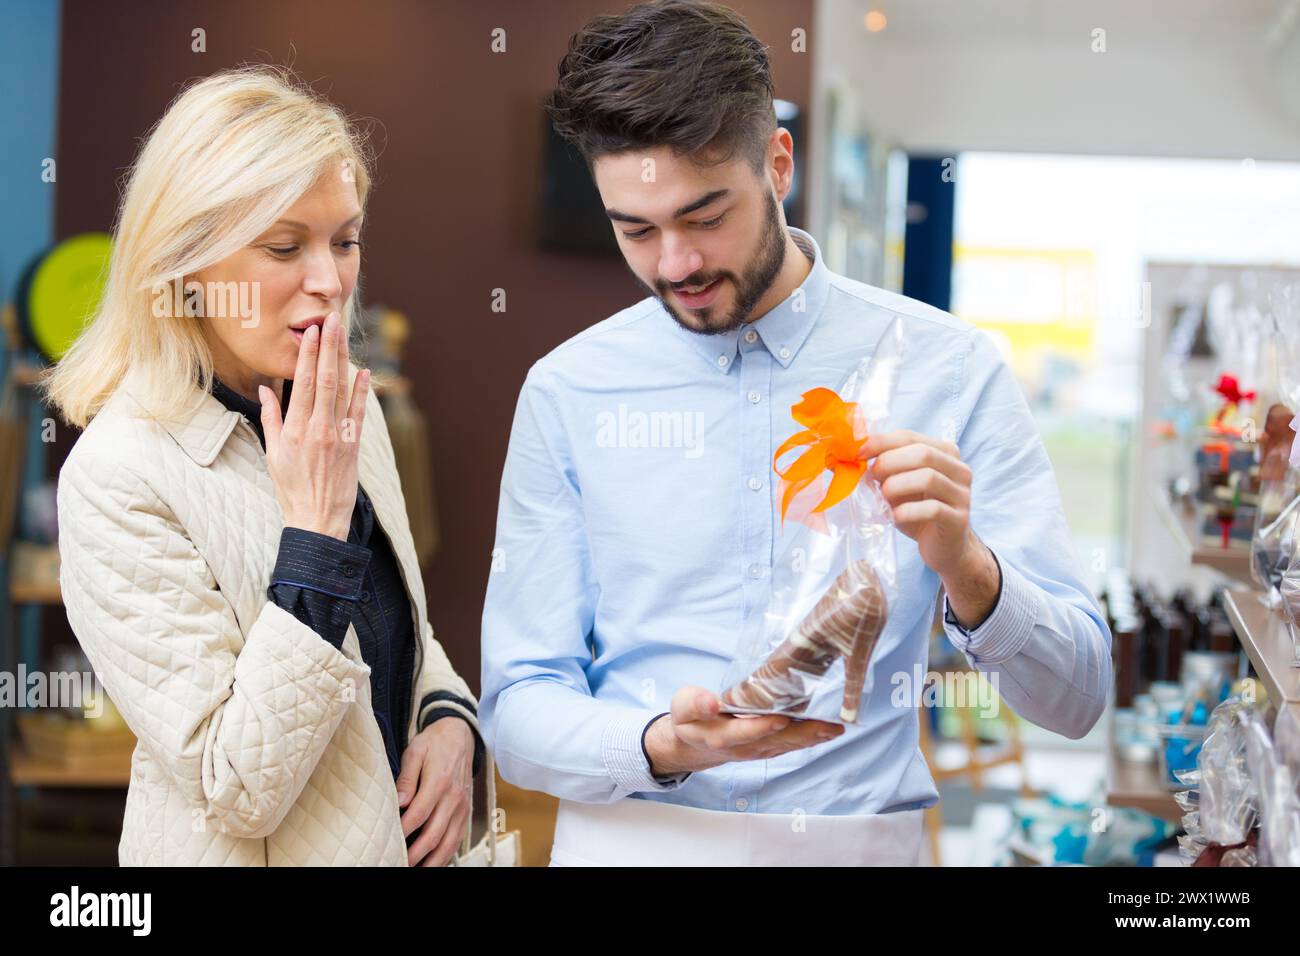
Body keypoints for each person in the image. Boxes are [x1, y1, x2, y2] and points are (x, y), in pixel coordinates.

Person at [480, 0, 1111, 866]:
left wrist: (968, 568)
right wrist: (661, 744)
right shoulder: (568, 391)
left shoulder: (948, 369)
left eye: (706, 217)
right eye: (636, 230)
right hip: (633, 839)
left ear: (779, 164)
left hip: (857, 846)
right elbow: (515, 712)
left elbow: (1079, 698)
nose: (675, 266)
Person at [48, 67, 482, 866]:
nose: (331, 281)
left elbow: (403, 626)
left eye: (345, 241)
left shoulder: (349, 407)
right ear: (185, 260)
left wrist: (452, 720)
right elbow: (236, 787)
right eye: (285, 246)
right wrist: (314, 533)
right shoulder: (118, 478)